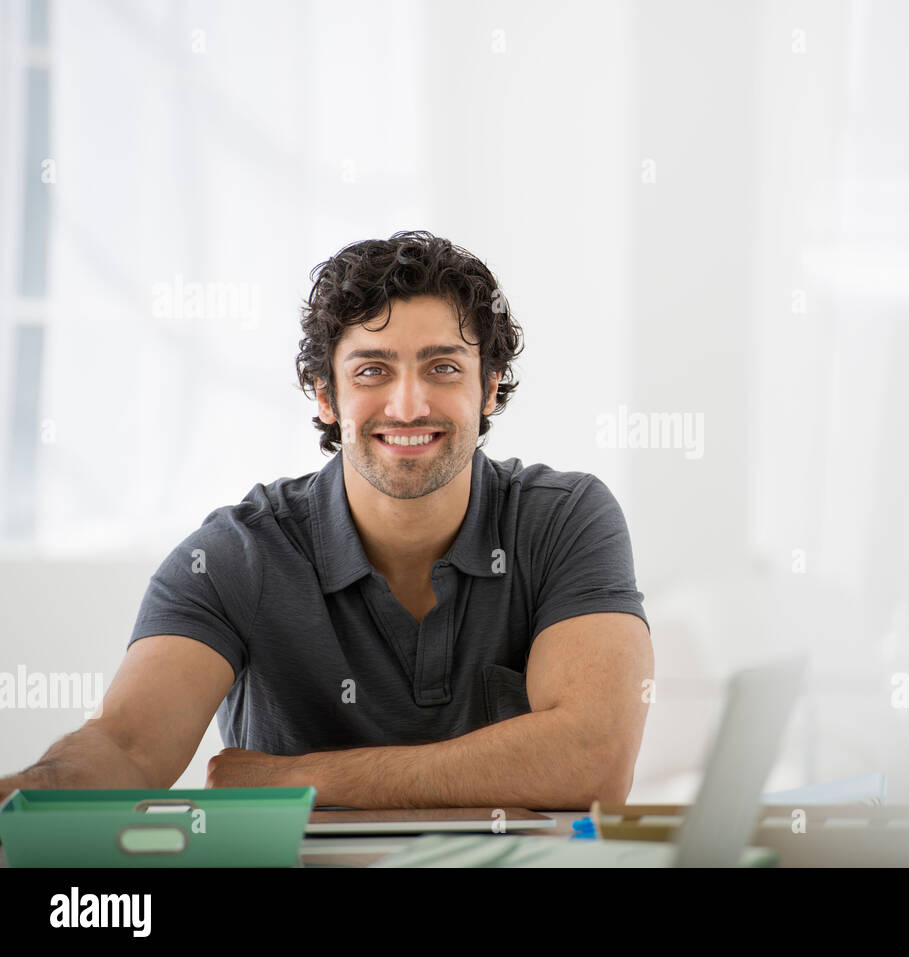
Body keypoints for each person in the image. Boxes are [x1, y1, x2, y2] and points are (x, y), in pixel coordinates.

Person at [0, 231, 653, 811]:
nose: (408, 403)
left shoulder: (567, 518)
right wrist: (23, 793)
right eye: (373, 369)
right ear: (325, 393)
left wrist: (300, 778)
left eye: (443, 366)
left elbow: (593, 760)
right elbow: (126, 746)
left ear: (488, 387)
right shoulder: (238, 553)